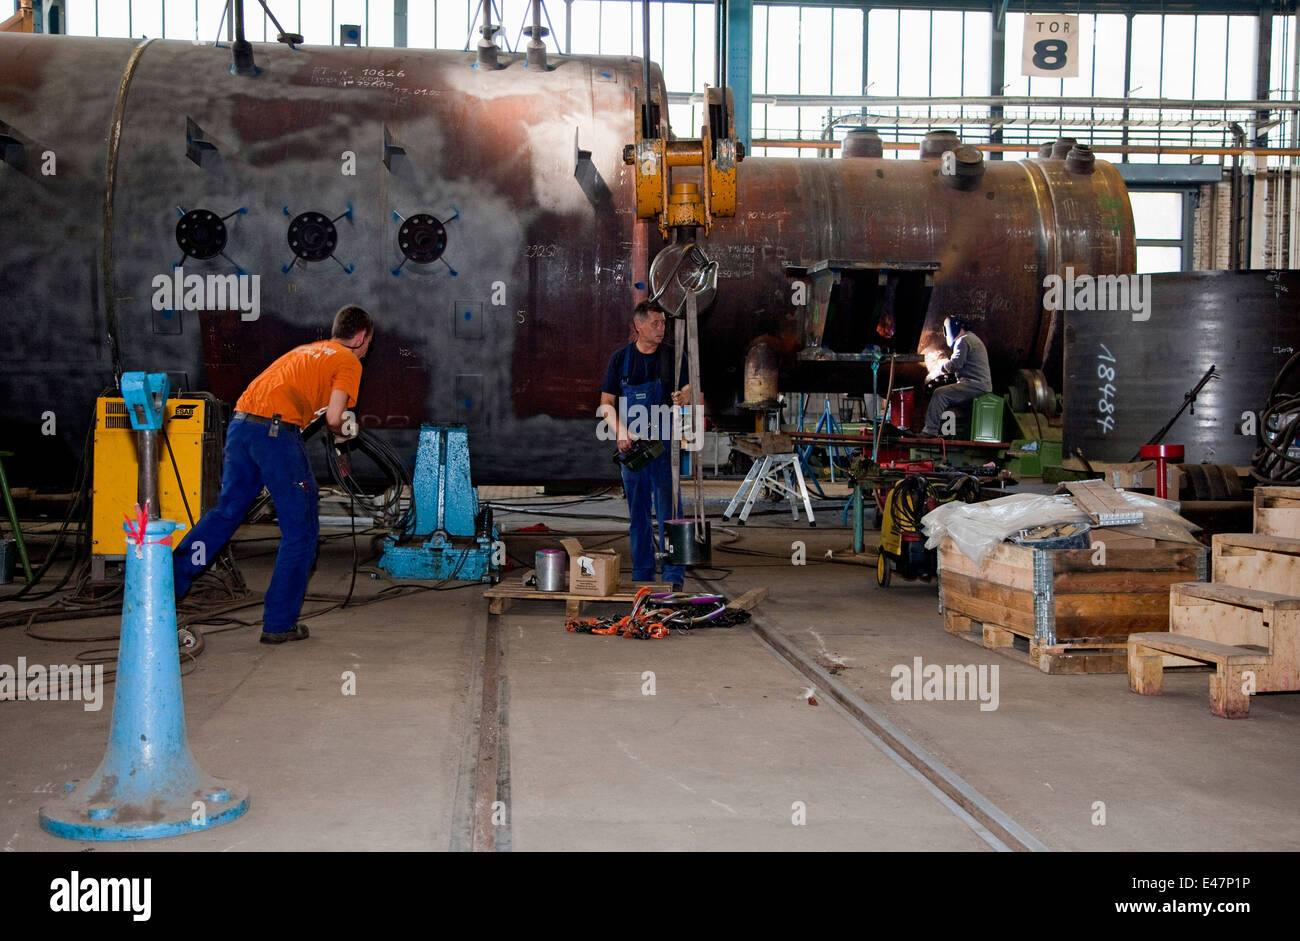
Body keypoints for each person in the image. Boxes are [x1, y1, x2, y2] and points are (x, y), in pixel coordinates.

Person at [172, 305, 374, 644]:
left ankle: (167, 586)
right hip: (275, 434)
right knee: (301, 531)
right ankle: (279, 623)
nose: (367, 349)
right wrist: (347, 429)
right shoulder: (348, 360)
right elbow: (335, 417)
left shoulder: (306, 351)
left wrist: (336, 432)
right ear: (359, 337)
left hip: (241, 425)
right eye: (369, 342)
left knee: (226, 513)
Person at [598, 300, 689, 590]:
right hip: (633, 449)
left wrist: (684, 396)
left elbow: (688, 387)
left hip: (664, 446)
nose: (661, 328)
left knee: (670, 513)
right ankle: (642, 574)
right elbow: (606, 403)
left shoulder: (674, 357)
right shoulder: (620, 360)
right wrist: (620, 431)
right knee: (638, 516)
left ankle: (674, 578)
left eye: (663, 323)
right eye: (655, 323)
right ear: (639, 326)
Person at [921, 315, 992, 437]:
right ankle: (950, 433)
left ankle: (930, 431)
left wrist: (941, 366)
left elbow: (955, 364)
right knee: (949, 398)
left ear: (949, 329)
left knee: (940, 394)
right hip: (979, 385)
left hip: (975, 385)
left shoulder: (963, 341)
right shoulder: (972, 338)